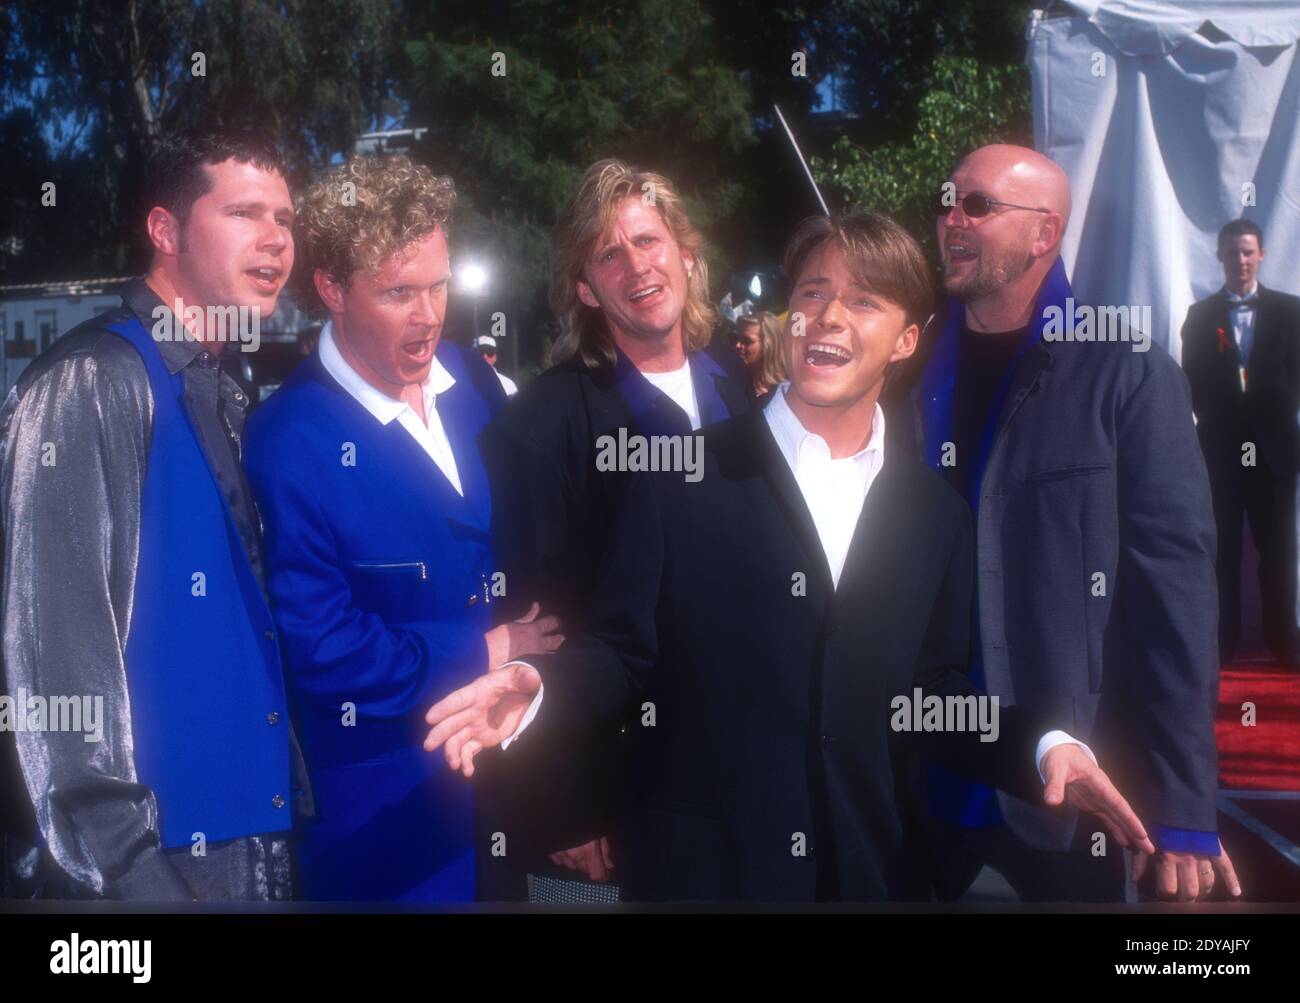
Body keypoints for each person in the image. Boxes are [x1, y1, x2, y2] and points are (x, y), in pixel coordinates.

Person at [426, 211, 1155, 902]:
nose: (830, 315)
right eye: (813, 292)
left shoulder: (935, 516)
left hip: (873, 873)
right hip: (706, 876)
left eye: (865, 300)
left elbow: (928, 696)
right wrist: (537, 687)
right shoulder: (677, 474)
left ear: (907, 340)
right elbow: (622, 651)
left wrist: (1043, 746)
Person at [915, 144, 1238, 902]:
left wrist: (1186, 801)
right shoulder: (908, 366)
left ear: (1044, 233)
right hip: (920, 770)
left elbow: (1177, 595)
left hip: (1071, 787)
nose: (950, 219)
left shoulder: (1127, 371)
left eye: (979, 205)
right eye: (946, 199)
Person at [242, 154, 561, 902]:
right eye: (398, 293)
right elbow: (317, 645)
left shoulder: (475, 382)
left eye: (439, 284)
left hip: (513, 786)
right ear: (332, 290)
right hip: (386, 825)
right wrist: (483, 648)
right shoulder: (285, 440)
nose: (429, 315)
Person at [0, 128, 304, 900]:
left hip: (253, 842)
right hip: (150, 866)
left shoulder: (228, 384)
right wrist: (134, 876)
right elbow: (51, 657)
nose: (276, 239)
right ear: (166, 231)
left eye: (286, 218)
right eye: (244, 212)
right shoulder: (88, 380)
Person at [474, 158, 748, 902]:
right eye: (610, 253)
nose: (638, 265)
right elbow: (537, 627)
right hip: (619, 796)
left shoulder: (740, 395)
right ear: (587, 289)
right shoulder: (539, 428)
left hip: (743, 785)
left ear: (686, 256)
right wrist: (563, 804)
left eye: (650, 241)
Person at [1181, 218, 1300, 667]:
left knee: (1280, 551)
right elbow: (1191, 381)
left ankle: (1285, 643)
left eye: (1249, 252)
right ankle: (1221, 643)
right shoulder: (1200, 316)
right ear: (1220, 257)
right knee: (1220, 550)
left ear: (1262, 255)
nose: (1241, 261)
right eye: (1233, 252)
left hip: (1276, 453)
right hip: (1220, 454)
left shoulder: (1292, 311)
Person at [734, 311, 787, 401]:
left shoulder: (789, 390)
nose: (737, 345)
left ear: (768, 344)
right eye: (735, 338)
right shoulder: (732, 384)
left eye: (747, 341)